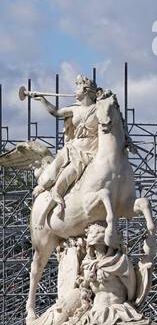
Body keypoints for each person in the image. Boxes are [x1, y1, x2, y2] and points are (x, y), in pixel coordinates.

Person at [35, 75, 101, 219]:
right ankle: (47, 186)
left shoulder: (98, 108)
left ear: (85, 90)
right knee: (58, 167)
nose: (75, 90)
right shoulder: (74, 109)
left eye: (77, 86)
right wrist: (43, 100)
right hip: (76, 146)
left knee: (72, 170)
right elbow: (57, 113)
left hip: (93, 147)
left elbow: (113, 123)